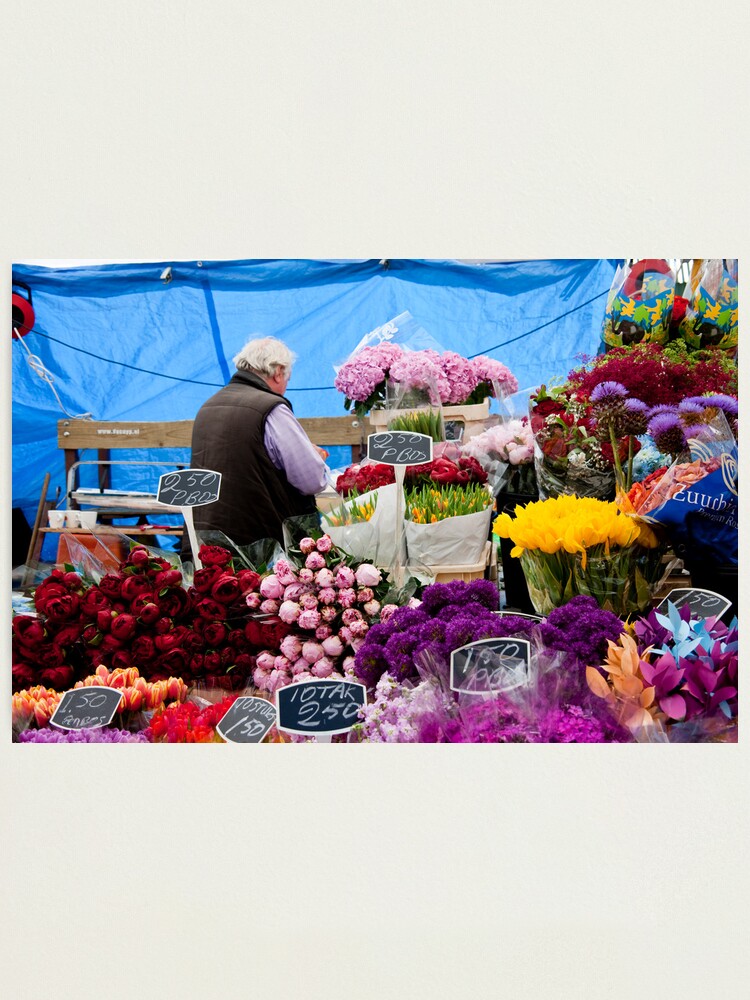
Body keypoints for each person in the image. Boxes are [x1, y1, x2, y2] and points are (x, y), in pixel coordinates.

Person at [186, 336, 328, 549]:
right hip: (259, 544)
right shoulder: (271, 408)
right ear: (278, 372)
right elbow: (311, 481)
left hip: (206, 538)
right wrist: (314, 456)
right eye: (288, 379)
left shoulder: (209, 406)